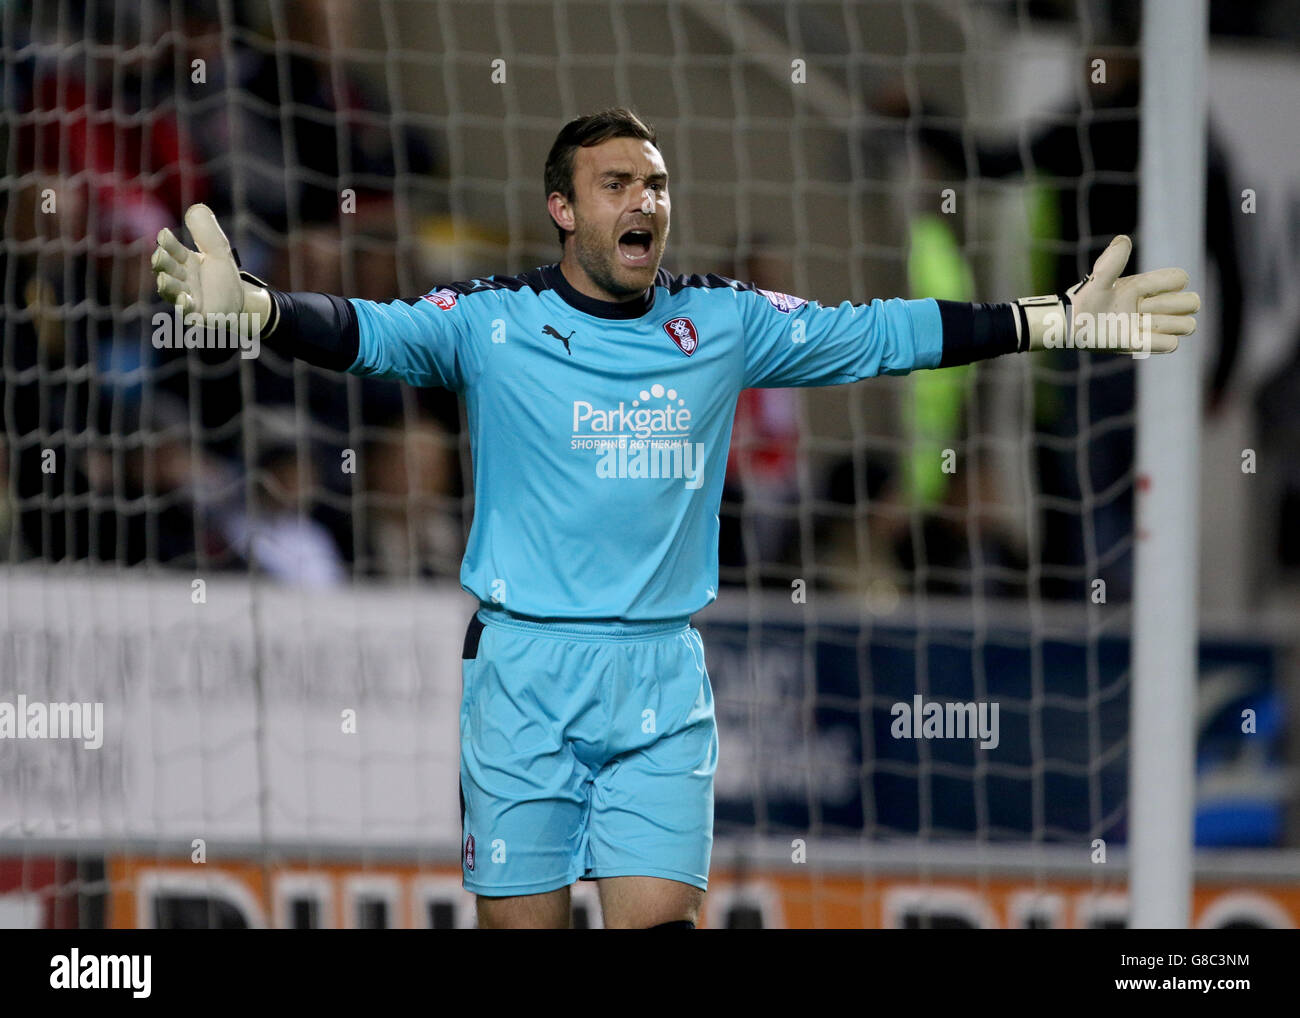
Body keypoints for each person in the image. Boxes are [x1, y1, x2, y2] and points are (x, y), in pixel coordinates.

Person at [150, 108, 1199, 929]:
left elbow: (885, 332)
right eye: (617, 183)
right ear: (564, 208)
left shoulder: (723, 324)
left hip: (657, 676)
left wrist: (1049, 316)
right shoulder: (494, 323)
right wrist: (260, 308)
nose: (644, 198)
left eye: (655, 181)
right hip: (521, 674)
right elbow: (366, 332)